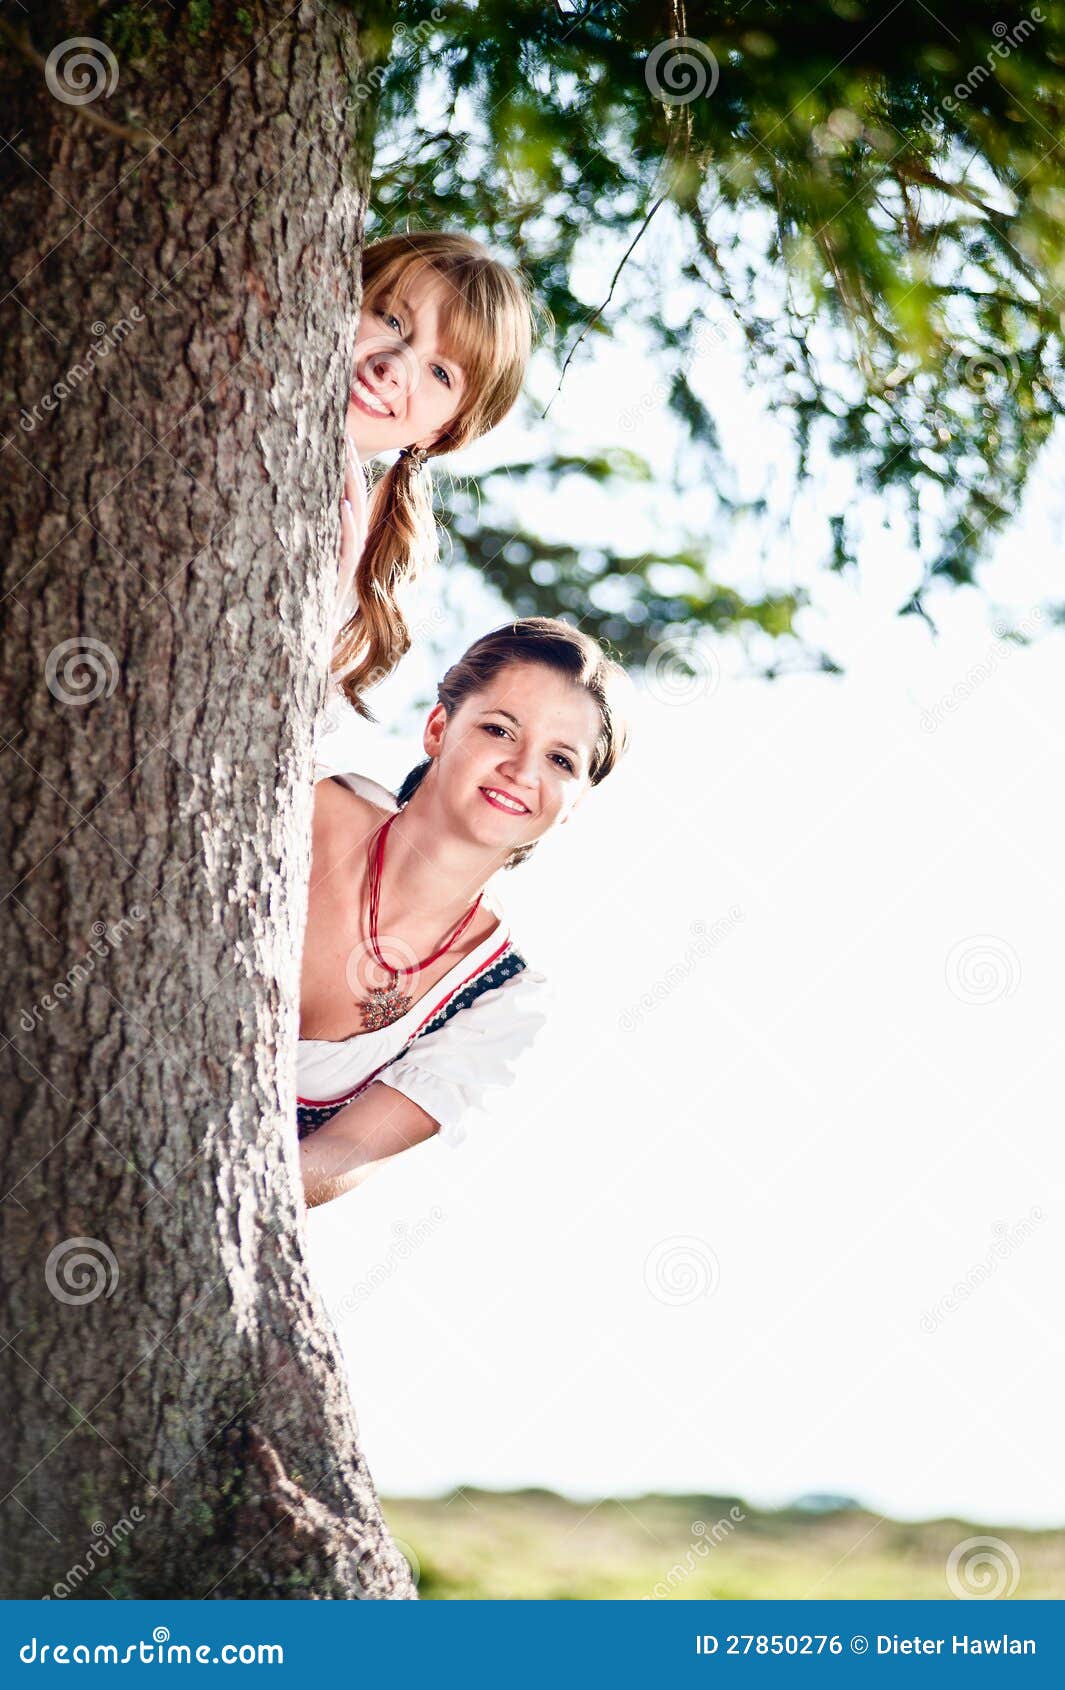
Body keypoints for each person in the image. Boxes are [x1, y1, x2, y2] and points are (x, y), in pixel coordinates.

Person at [298, 618, 630, 1208]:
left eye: (560, 761)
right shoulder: (304, 805)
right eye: (500, 730)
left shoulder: (500, 999)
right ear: (437, 728)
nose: (524, 770)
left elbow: (344, 1153)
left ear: (575, 802)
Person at [331, 231, 536, 715]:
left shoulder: (358, 556)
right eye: (391, 318)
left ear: (441, 434)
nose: (394, 366)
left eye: (441, 373)